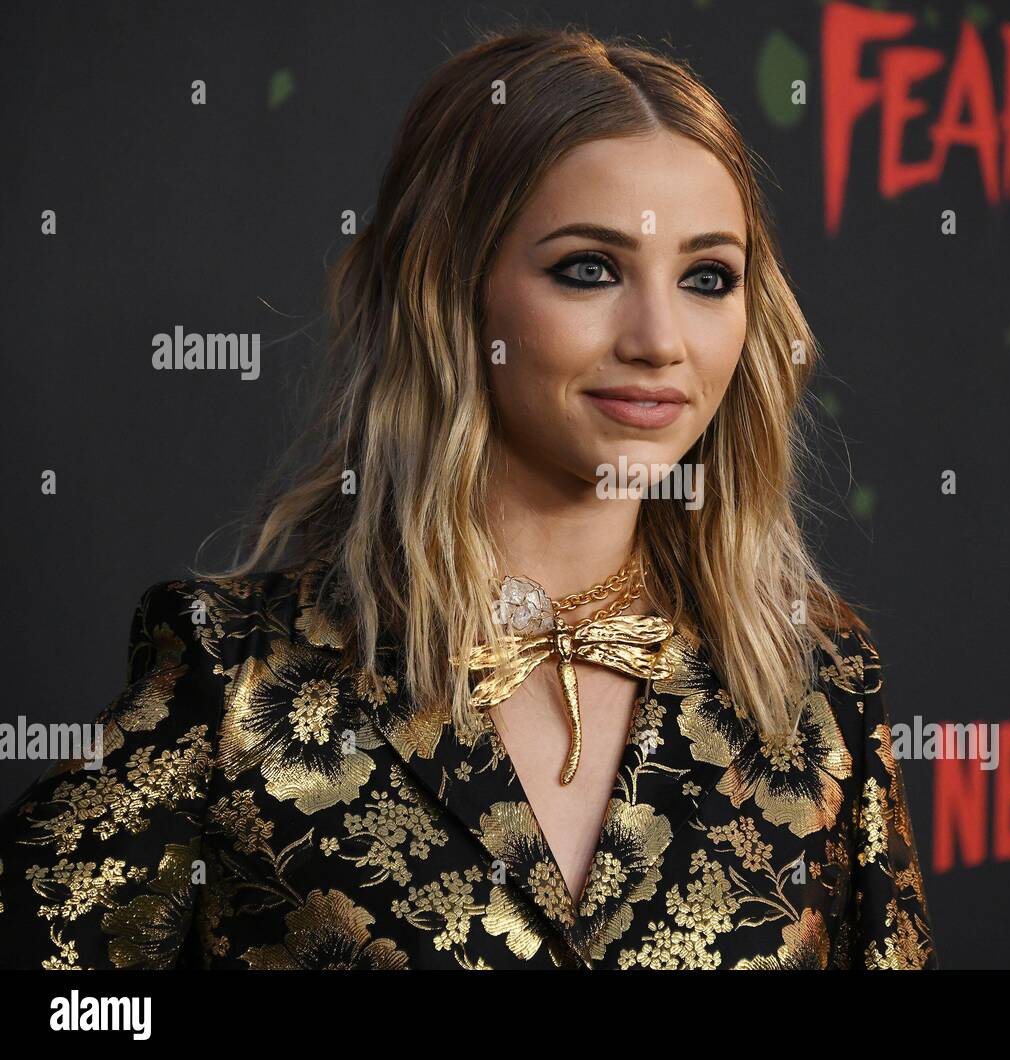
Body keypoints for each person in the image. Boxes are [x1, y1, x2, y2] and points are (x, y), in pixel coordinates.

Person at [0, 27, 936, 970]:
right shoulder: (232, 678)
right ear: (446, 291)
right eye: (589, 268)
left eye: (707, 278)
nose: (661, 339)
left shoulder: (818, 684)